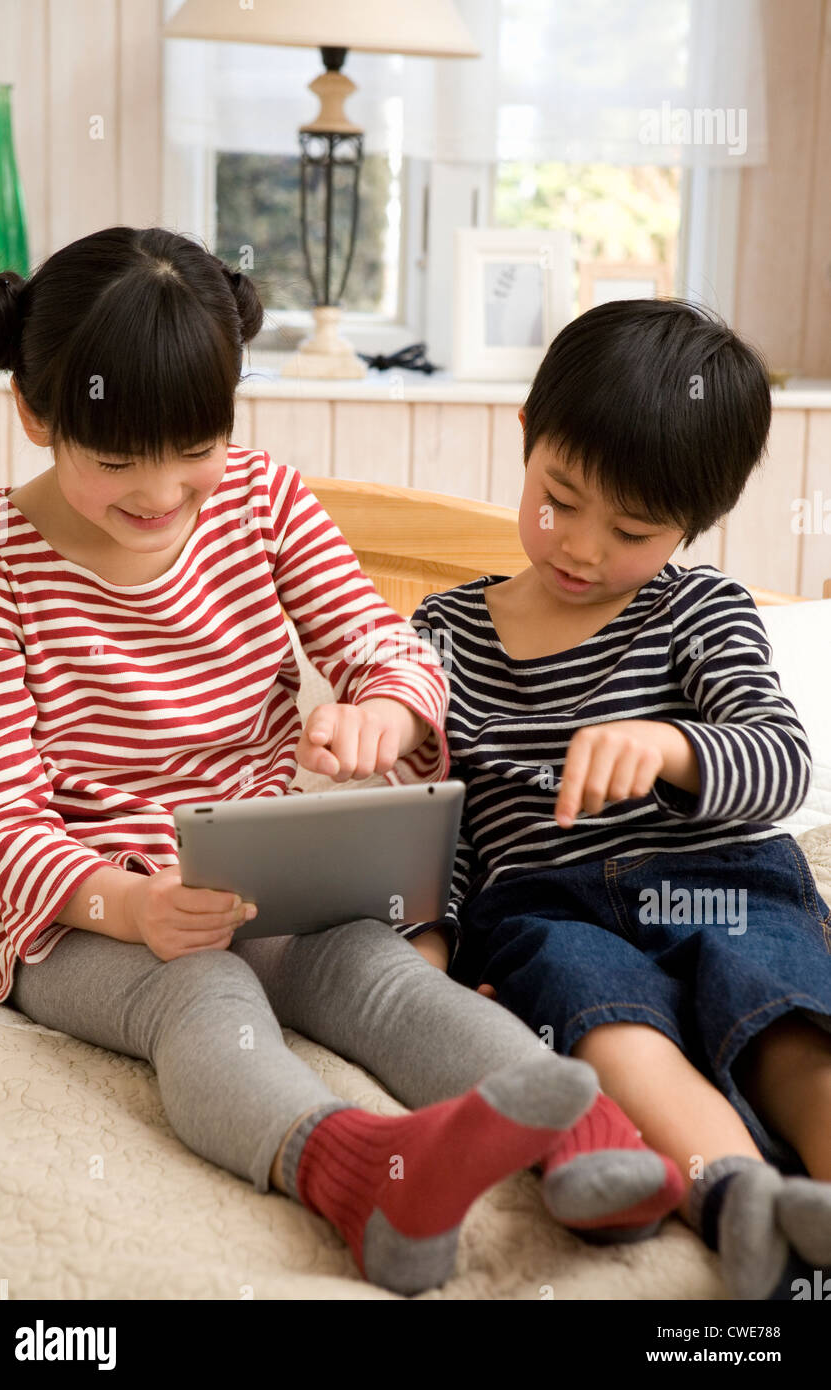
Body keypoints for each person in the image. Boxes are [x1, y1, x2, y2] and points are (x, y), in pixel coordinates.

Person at [0, 227, 684, 1298]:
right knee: (201, 991)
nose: (161, 492)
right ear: (34, 410)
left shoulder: (263, 502)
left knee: (373, 969)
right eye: (115, 461)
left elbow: (389, 649)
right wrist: (131, 904)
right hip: (79, 909)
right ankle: (357, 1174)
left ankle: (586, 1138)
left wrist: (382, 714)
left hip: (260, 868)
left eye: (196, 449)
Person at [406, 297, 831, 1301]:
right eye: (559, 499)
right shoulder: (443, 632)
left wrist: (673, 746)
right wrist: (428, 947)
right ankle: (739, 1202)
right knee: (604, 1020)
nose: (584, 549)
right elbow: (437, 822)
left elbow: (782, 760)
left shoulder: (700, 607)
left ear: (694, 525)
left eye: (633, 529)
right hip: (545, 903)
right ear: (525, 436)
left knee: (781, 1006)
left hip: (721, 875)